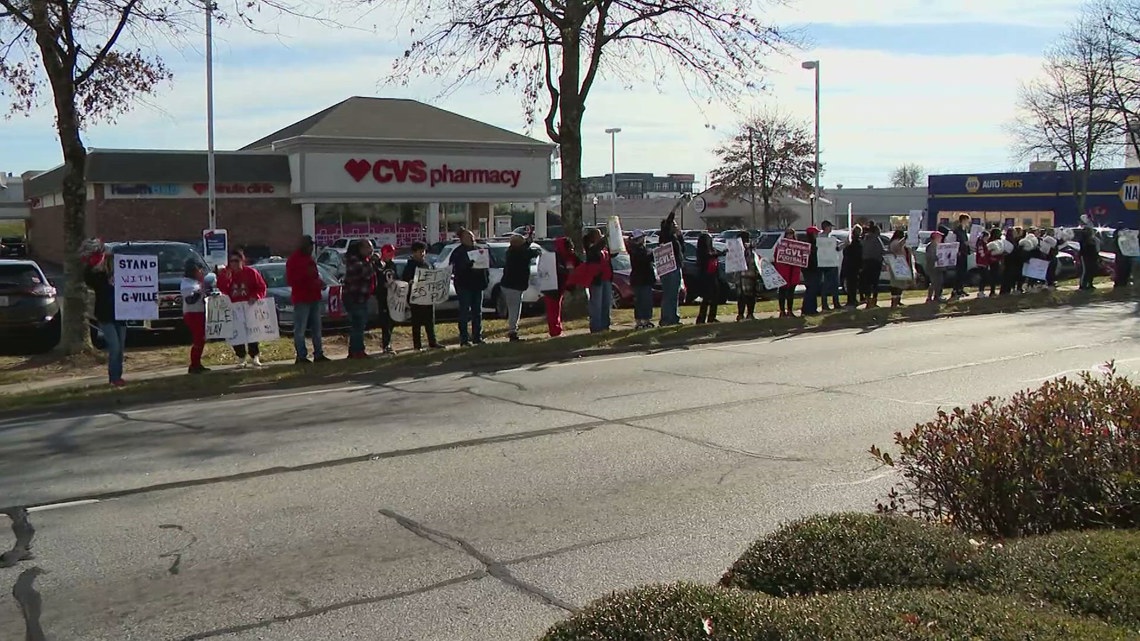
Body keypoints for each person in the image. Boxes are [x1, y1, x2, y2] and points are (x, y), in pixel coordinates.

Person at [83, 246, 127, 386]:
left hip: (121, 315)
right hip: (105, 316)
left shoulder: (124, 275)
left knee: (120, 349)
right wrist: (93, 263)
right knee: (114, 347)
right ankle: (113, 378)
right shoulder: (99, 277)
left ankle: (118, 376)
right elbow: (88, 278)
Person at [217, 249, 267, 367]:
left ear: (242, 261)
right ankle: (241, 357)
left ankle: (254, 356)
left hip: (249, 306)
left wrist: (256, 296)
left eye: (236, 261)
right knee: (236, 333)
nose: (234, 264)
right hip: (234, 308)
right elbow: (222, 289)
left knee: (252, 333)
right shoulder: (226, 273)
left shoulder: (251, 272)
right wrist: (226, 278)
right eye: (231, 261)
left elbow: (261, 287)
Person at [285, 234, 329, 364]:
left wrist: (319, 282)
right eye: (310, 245)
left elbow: (314, 276)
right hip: (301, 298)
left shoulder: (309, 259)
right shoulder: (294, 260)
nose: (312, 248)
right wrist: (312, 282)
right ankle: (301, 356)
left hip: (314, 297)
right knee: (300, 329)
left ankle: (318, 353)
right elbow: (292, 280)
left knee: (317, 328)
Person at [450, 229, 490, 346]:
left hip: (478, 285)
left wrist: (486, 278)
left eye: (472, 237)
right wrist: (469, 264)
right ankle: (464, 339)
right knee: (464, 312)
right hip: (464, 285)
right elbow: (455, 268)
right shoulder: (458, 252)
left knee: (477, 312)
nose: (472, 239)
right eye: (469, 237)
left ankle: (477, 337)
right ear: (462, 239)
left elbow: (487, 265)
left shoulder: (479, 250)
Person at [402, 241, 443, 350]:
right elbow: (405, 280)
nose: (422, 254)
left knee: (430, 321)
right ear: (414, 252)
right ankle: (417, 345)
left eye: (424, 251)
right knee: (416, 322)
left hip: (428, 296)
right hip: (416, 297)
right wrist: (411, 281)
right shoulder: (410, 266)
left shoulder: (428, 264)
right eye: (420, 251)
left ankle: (432, 342)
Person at [501, 231, 539, 341]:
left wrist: (529, 240)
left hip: (509, 284)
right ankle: (512, 331)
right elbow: (532, 252)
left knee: (514, 308)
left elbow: (525, 247)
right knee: (514, 309)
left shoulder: (511, 251)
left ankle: (513, 329)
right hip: (513, 286)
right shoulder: (519, 254)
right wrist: (530, 245)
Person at [342, 239, 376, 358]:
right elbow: (365, 273)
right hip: (354, 297)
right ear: (360, 249)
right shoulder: (354, 261)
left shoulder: (364, 261)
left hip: (361, 297)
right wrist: (371, 261)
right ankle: (358, 350)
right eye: (368, 247)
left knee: (358, 325)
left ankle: (354, 350)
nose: (371, 250)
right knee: (358, 325)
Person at [542, 236, 579, 337]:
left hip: (559, 286)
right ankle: (554, 331)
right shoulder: (555, 257)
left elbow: (578, 264)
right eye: (569, 247)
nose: (571, 249)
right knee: (552, 310)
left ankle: (557, 329)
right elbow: (559, 270)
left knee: (556, 309)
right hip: (551, 286)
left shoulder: (568, 256)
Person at [579, 227, 614, 332]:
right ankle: (596, 327)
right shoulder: (591, 248)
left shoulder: (603, 248)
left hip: (607, 278)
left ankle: (605, 325)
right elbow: (595, 251)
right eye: (599, 235)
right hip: (596, 280)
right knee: (596, 304)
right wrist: (605, 239)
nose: (601, 236)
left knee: (606, 303)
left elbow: (612, 254)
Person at [180, 259, 209, 374]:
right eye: (199, 270)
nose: (201, 272)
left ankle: (197, 363)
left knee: (202, 338)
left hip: (201, 312)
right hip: (192, 313)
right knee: (198, 338)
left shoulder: (197, 282)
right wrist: (199, 291)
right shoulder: (186, 283)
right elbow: (190, 300)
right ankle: (194, 365)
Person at [371, 243, 400, 353]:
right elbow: (376, 278)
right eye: (389, 253)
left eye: (392, 253)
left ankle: (388, 342)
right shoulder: (379, 265)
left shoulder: (392, 265)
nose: (391, 255)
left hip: (392, 296)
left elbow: (396, 277)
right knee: (385, 321)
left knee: (391, 320)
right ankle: (386, 344)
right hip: (383, 296)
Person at [658, 211, 685, 326]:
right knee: (669, 294)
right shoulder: (665, 236)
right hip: (669, 269)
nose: (676, 226)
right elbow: (668, 222)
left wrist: (680, 236)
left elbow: (682, 249)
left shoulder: (674, 238)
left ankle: (673, 317)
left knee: (674, 294)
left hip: (676, 267)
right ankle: (666, 319)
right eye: (674, 224)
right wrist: (674, 210)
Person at [627, 229, 656, 328]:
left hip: (645, 279)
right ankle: (640, 321)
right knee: (641, 301)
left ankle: (646, 320)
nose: (644, 239)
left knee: (646, 301)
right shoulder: (635, 250)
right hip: (640, 279)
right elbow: (642, 259)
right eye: (642, 237)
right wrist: (652, 254)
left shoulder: (643, 249)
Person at [695, 232, 722, 324]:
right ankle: (701, 318)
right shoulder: (702, 251)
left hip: (713, 274)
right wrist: (717, 254)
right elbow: (708, 256)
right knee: (706, 297)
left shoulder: (711, 249)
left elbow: (715, 253)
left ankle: (711, 317)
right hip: (706, 276)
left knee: (715, 297)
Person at [774, 228, 801, 317]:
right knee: (782, 292)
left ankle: (790, 310)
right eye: (788, 233)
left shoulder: (798, 245)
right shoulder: (781, 245)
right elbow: (776, 257)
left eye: (791, 233)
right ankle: (782, 311)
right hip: (783, 272)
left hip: (793, 272)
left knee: (791, 293)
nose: (790, 235)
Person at [734, 230, 759, 321]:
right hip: (742, 276)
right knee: (743, 297)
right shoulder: (738, 249)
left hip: (750, 275)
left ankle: (749, 314)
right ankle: (741, 314)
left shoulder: (751, 249)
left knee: (750, 296)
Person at [887, 229, 914, 307]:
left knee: (901, 283)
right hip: (896, 265)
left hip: (900, 264)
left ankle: (898, 300)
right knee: (896, 284)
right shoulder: (895, 242)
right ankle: (894, 301)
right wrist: (905, 239)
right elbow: (899, 245)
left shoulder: (896, 242)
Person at [818, 220, 842, 311]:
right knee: (826, 285)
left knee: (834, 284)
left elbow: (838, 247)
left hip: (832, 263)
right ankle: (825, 304)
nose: (831, 228)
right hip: (824, 264)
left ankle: (836, 303)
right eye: (830, 226)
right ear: (826, 227)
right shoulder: (819, 238)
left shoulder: (832, 238)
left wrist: (846, 243)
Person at [861, 223, 885, 308]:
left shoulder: (865, 239)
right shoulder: (876, 239)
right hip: (875, 262)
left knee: (867, 283)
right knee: (875, 283)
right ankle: (874, 301)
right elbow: (881, 250)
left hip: (866, 262)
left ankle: (868, 300)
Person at [800, 226, 822, 316]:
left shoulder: (815, 243)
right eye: (815, 233)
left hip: (814, 269)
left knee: (813, 289)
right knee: (811, 289)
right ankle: (807, 309)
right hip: (810, 270)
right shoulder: (808, 245)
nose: (817, 235)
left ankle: (812, 308)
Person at [950, 214, 972, 299]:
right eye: (967, 220)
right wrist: (958, 250)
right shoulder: (957, 231)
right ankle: (955, 290)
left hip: (964, 252)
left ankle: (961, 288)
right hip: (959, 253)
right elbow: (955, 241)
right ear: (963, 220)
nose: (968, 222)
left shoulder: (964, 230)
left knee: (963, 272)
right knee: (959, 272)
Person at [841, 224, 864, 308]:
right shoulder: (858, 243)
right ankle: (853, 300)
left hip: (848, 265)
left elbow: (845, 252)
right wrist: (861, 266)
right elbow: (860, 255)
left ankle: (850, 299)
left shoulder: (849, 242)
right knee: (853, 284)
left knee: (850, 284)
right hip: (855, 265)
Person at [980, 228, 1003, 298]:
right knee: (992, 276)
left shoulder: (997, 241)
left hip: (995, 260)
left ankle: (992, 290)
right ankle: (991, 291)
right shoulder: (991, 242)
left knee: (994, 276)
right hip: (992, 261)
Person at [924, 230, 945, 304]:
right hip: (932, 267)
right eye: (939, 236)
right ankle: (929, 298)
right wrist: (937, 258)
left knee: (939, 282)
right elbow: (930, 257)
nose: (941, 238)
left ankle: (937, 296)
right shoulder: (930, 246)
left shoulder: (939, 245)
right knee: (934, 282)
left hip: (939, 267)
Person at [1114, 222, 1132, 288]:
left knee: (1122, 269)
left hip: (1122, 254)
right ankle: (1121, 282)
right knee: (1122, 269)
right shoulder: (1121, 235)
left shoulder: (1119, 234)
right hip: (1122, 255)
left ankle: (1121, 282)